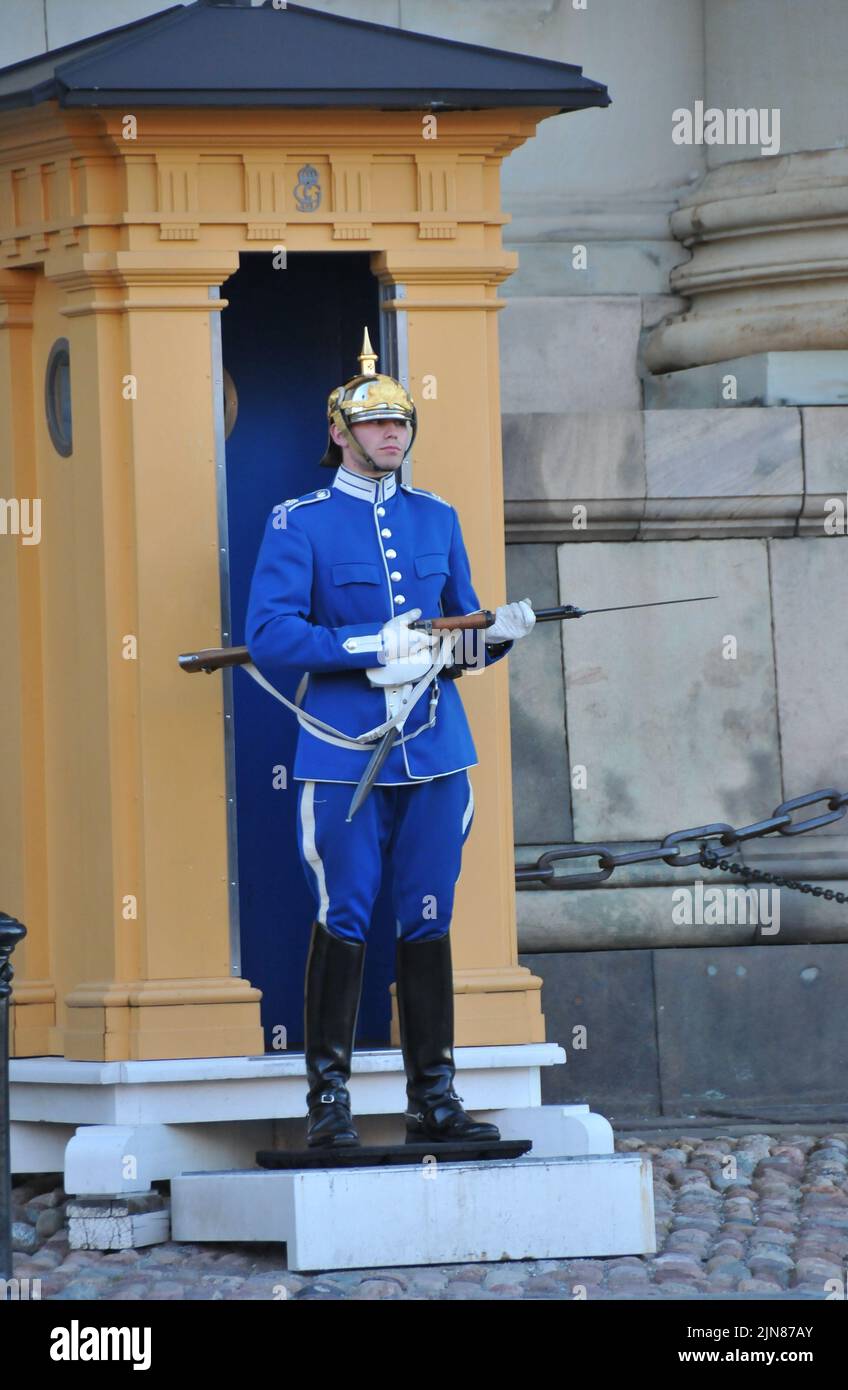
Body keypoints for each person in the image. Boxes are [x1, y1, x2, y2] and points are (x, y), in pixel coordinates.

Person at [244, 328, 535, 1148]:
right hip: (344, 752)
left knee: (427, 916)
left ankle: (434, 1101)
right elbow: (268, 634)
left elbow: (462, 627)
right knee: (345, 915)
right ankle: (328, 1107)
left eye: (400, 423)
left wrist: (490, 637)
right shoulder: (297, 520)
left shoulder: (436, 516)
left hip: (435, 748)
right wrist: (372, 643)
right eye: (372, 424)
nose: (390, 435)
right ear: (339, 432)